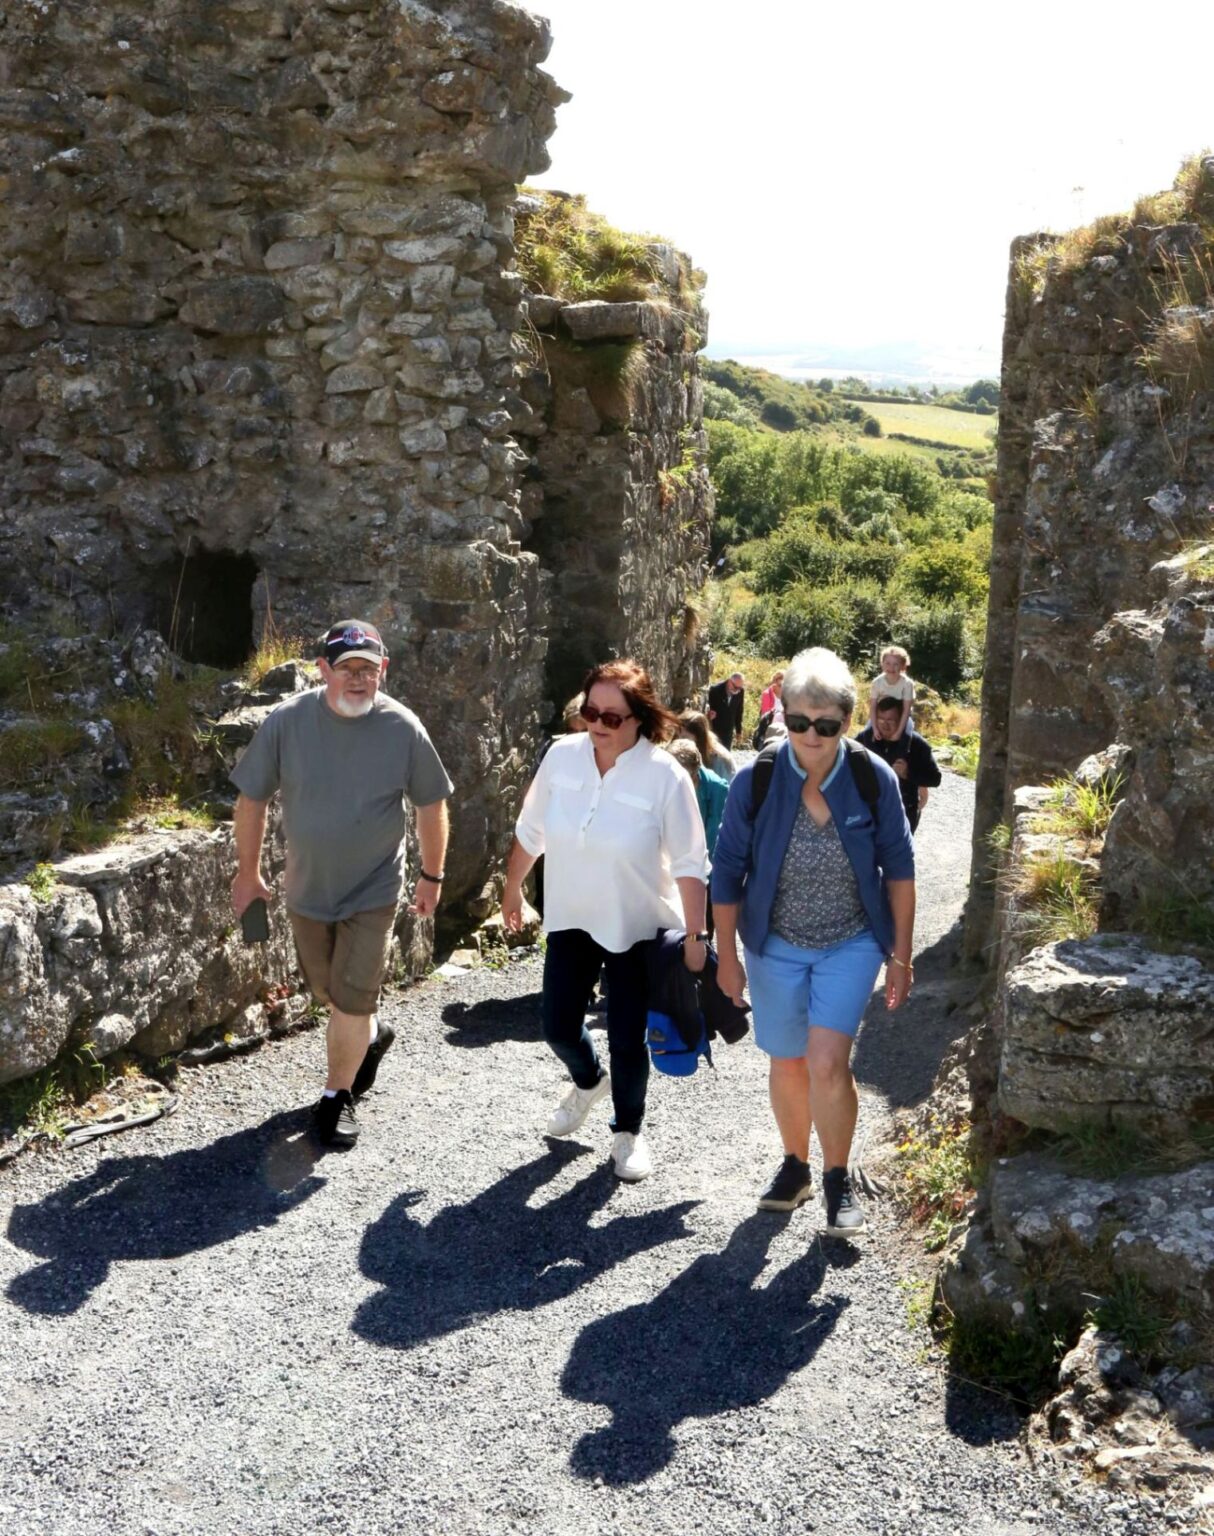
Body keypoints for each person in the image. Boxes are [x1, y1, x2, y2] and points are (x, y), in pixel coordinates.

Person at [711, 647, 915, 1235]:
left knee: (827, 1061)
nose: (811, 735)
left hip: (850, 943)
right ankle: (795, 1167)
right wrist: (727, 955)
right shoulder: (760, 778)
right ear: (785, 717)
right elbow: (725, 872)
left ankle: (836, 1177)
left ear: (846, 723)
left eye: (825, 725)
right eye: (798, 722)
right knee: (787, 1061)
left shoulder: (870, 778)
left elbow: (899, 871)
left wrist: (900, 956)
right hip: (774, 943)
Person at [230, 619, 453, 1150]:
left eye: (368, 670)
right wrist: (248, 872)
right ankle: (371, 1037)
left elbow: (431, 805)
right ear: (323, 669)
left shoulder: (403, 728)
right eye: (347, 668)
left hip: (374, 889)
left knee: (351, 997)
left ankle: (335, 1098)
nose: (358, 679)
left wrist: (431, 874)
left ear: (383, 671)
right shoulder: (287, 722)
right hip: (308, 890)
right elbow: (252, 800)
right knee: (329, 992)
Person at [502, 659, 709, 1182]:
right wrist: (511, 891)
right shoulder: (561, 757)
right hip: (571, 915)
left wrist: (697, 937)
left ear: (639, 718)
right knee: (557, 1027)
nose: (597, 723)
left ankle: (627, 1133)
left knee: (626, 1037)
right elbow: (531, 831)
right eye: (591, 710)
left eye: (612, 716)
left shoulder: (664, 777)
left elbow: (690, 863)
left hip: (636, 925)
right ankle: (589, 1080)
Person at [667, 737, 728, 940]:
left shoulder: (718, 788)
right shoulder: (663, 783)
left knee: (702, 927)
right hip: (668, 865)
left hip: (704, 867)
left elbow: (712, 837)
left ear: (696, 771)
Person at [856, 697, 942, 834]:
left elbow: (935, 779)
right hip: (869, 811)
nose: (884, 724)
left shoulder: (916, 744)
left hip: (904, 811)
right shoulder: (864, 740)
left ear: (902, 720)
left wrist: (908, 773)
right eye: (880, 719)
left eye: (890, 720)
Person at [868, 644, 915, 738]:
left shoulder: (907, 684)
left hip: (901, 717)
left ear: (903, 666)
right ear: (882, 664)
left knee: (907, 736)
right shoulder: (877, 682)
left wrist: (898, 732)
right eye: (888, 663)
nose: (891, 668)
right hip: (881, 716)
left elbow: (906, 710)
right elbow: (873, 707)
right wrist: (875, 729)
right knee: (866, 734)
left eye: (896, 664)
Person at [678, 708, 736, 782]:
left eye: (685, 738)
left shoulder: (720, 760)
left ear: (699, 738)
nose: (679, 742)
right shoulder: (677, 755)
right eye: (678, 737)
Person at [707, 672, 746, 748]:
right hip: (714, 729)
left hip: (728, 731)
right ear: (729, 681)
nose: (737, 690)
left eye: (739, 688)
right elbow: (709, 709)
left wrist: (739, 731)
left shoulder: (740, 691)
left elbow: (739, 711)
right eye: (735, 687)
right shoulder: (715, 690)